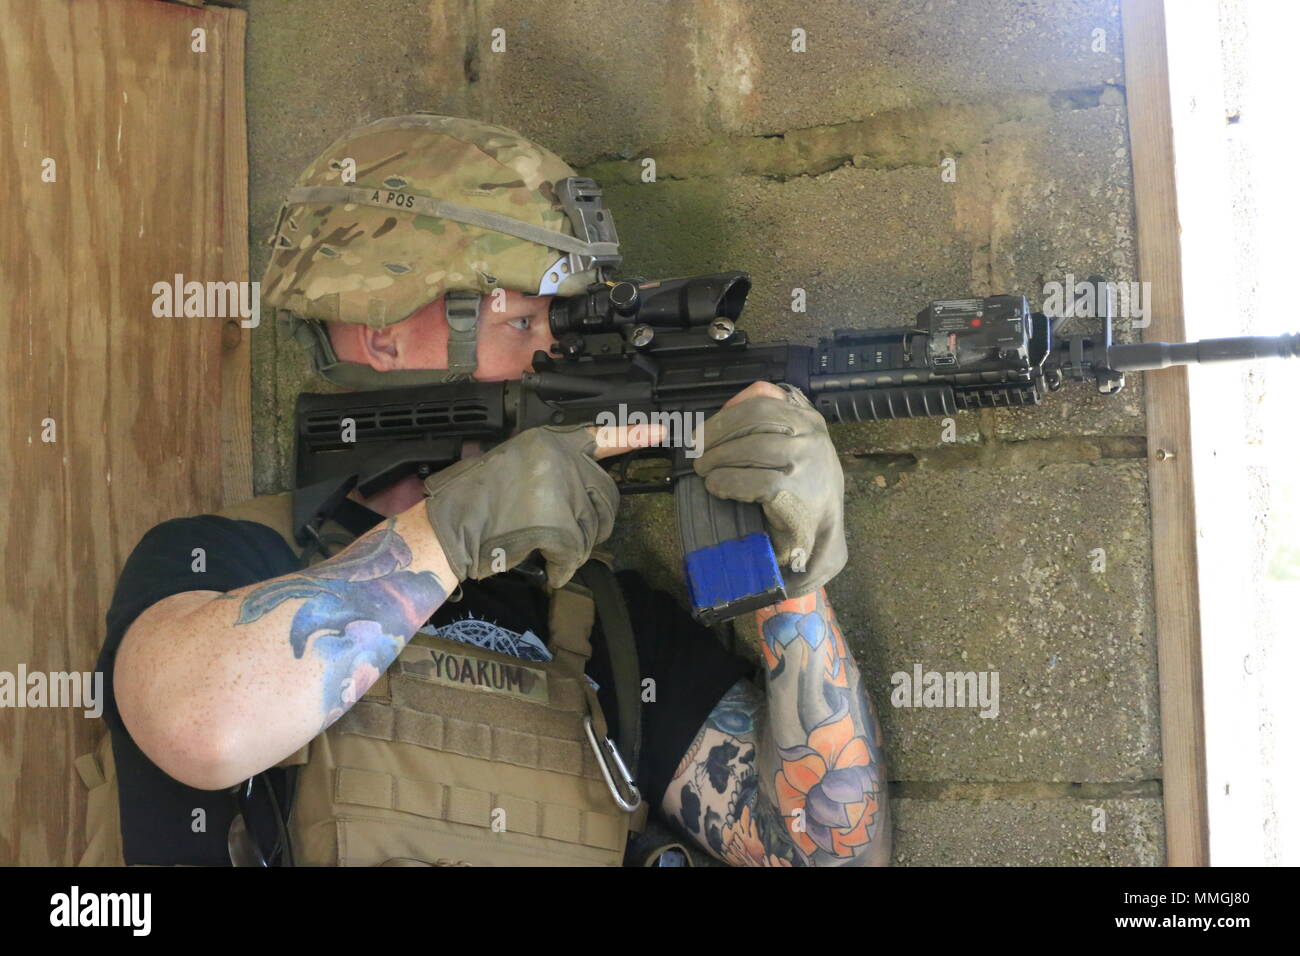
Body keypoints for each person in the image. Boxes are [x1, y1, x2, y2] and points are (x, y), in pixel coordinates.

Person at [80, 115, 890, 867]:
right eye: (523, 325)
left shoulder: (605, 626)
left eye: (566, 327)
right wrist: (453, 532)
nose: (555, 359)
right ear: (384, 334)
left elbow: (827, 850)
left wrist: (796, 576)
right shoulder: (224, 562)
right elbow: (204, 726)